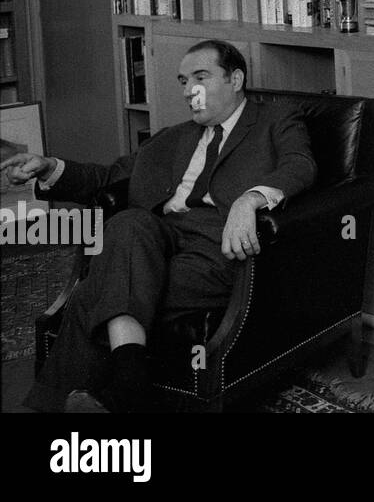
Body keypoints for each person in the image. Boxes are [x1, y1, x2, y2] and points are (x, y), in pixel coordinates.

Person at [2, 39, 315, 412]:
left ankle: (81, 400)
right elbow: (108, 177)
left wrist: (251, 200)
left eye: (200, 77)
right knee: (131, 221)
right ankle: (129, 388)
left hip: (217, 246)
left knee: (96, 291)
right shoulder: (174, 137)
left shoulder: (276, 120)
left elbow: (300, 166)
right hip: (159, 238)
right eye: (183, 81)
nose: (188, 91)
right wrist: (49, 166)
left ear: (235, 79)